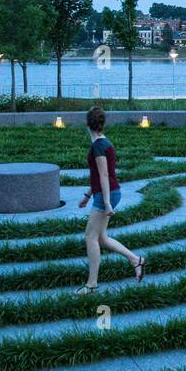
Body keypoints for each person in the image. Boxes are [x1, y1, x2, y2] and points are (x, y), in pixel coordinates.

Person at [76, 106, 146, 293]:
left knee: (90, 237)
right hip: (107, 193)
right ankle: (136, 260)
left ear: (87, 124)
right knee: (102, 238)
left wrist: (105, 202)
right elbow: (100, 176)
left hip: (107, 195)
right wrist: (88, 195)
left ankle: (91, 284)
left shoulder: (98, 146)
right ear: (102, 124)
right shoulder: (105, 143)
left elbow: (105, 175)